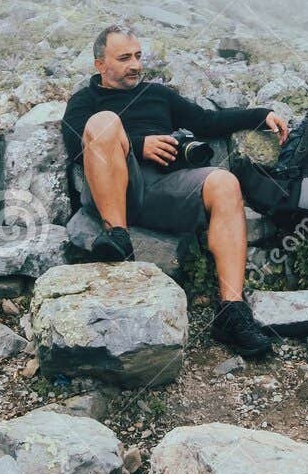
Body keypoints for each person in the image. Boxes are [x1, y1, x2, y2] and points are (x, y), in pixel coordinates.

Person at [59, 24, 290, 357]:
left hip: (165, 188)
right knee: (103, 122)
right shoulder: (86, 99)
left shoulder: (158, 94)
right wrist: (139, 146)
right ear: (100, 65)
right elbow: (75, 146)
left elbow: (208, 122)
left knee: (225, 182)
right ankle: (118, 238)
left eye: (138, 56)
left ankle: (232, 311)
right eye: (124, 58)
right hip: (114, 189)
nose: (135, 65)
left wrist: (261, 114)